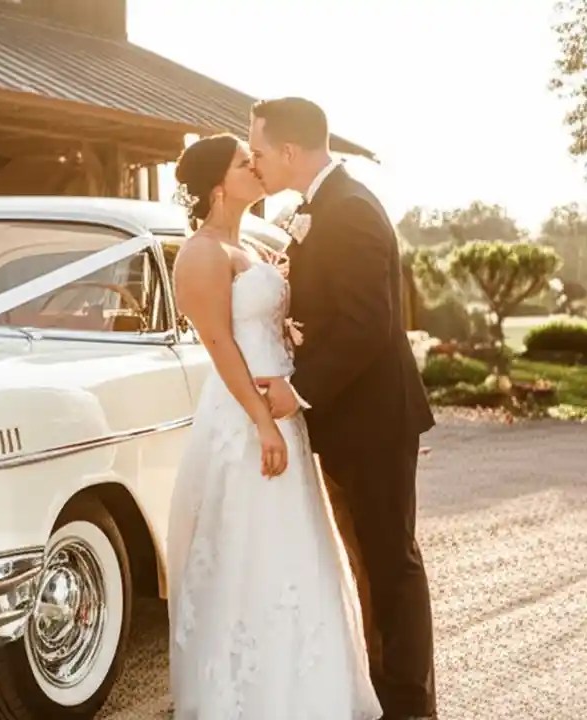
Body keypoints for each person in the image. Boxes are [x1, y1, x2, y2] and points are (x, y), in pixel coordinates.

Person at [164, 132, 383, 719]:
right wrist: (261, 422)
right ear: (218, 186)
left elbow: (258, 329)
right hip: (245, 417)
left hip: (281, 412)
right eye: (244, 163)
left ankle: (304, 687)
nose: (255, 168)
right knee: (246, 548)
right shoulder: (202, 253)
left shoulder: (251, 250)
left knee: (292, 547)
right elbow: (220, 347)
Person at [247, 97, 437, 720]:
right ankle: (386, 691)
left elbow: (366, 325)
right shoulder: (320, 209)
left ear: (290, 152)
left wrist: (297, 389)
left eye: (260, 151)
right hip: (347, 421)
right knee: (366, 561)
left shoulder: (350, 209)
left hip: (375, 423)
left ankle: (410, 706)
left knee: (390, 562)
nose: (257, 162)